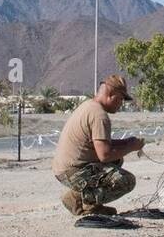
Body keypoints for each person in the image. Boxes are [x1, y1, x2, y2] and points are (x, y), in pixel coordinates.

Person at [52, 74, 143, 217]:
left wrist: (126, 142)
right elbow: (105, 155)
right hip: (72, 171)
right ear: (110, 94)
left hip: (64, 168)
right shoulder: (99, 115)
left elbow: (100, 142)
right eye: (120, 99)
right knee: (126, 181)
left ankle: (83, 198)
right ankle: (84, 202)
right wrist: (130, 148)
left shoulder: (89, 106)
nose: (120, 104)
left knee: (117, 160)